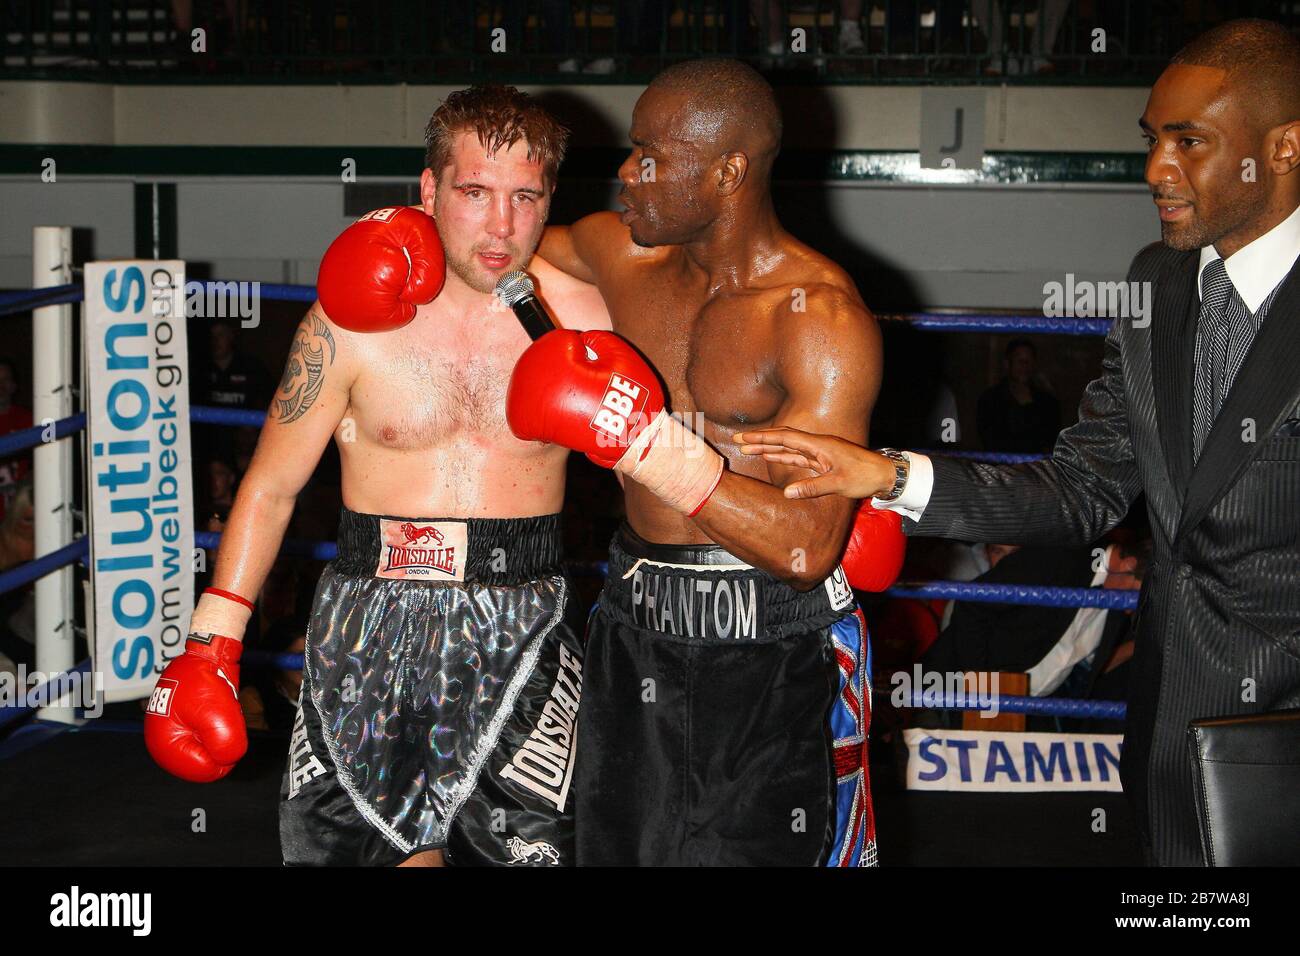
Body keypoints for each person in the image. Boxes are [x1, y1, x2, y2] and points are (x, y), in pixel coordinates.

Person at [734, 19, 1300, 866]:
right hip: (1163, 732)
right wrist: (887, 473)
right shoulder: (1158, 279)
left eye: (1190, 142)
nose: (1156, 169)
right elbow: (1082, 491)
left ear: (1284, 148)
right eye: (1152, 140)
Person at [144, 85, 611, 867]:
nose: (501, 226)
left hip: (522, 622)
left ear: (550, 200)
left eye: (525, 197)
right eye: (475, 193)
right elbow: (272, 485)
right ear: (429, 191)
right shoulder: (347, 321)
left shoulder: (586, 318)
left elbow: (669, 448)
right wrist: (210, 646)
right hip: (366, 624)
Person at [524, 58, 906, 866]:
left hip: (772, 651)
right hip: (634, 630)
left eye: (652, 157)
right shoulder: (619, 254)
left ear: (729, 171)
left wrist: (641, 442)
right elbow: (499, 247)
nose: (627, 173)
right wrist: (419, 228)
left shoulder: (818, 319)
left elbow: (805, 548)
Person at [976, 338, 1060, 453]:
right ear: (1007, 363)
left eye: (1029, 361)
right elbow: (992, 442)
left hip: (1035, 469)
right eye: (1020, 361)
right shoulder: (990, 400)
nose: (1025, 366)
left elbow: (1049, 443)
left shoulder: (1048, 403)